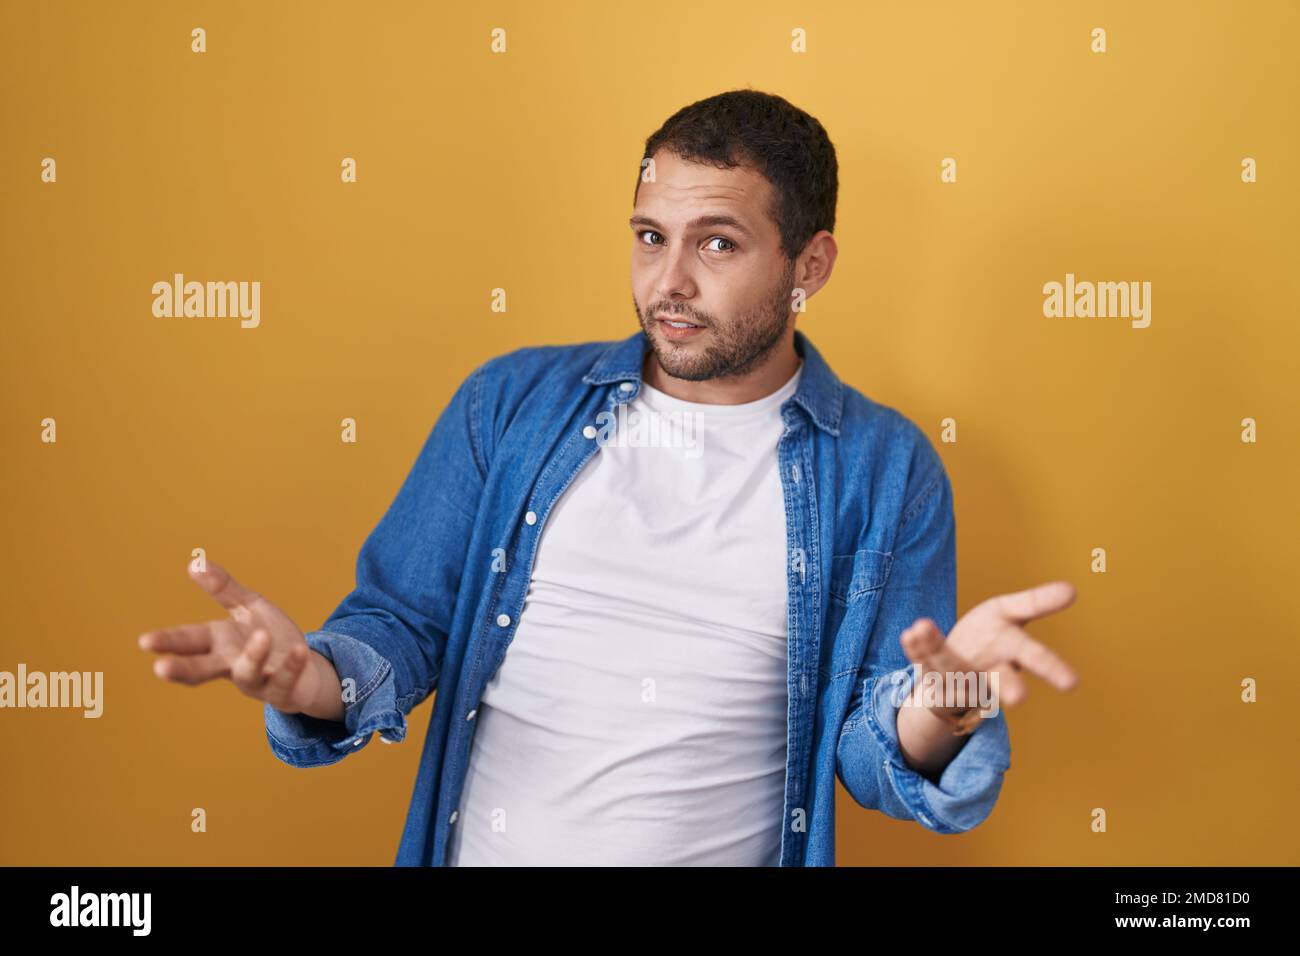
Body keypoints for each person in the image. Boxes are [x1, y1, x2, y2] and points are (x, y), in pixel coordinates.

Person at [138, 88, 1079, 866]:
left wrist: (953, 702)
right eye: (647, 235)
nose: (668, 281)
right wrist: (311, 677)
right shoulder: (508, 404)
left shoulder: (886, 467)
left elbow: (875, 757)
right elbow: (401, 626)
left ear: (811, 263)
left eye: (717, 243)